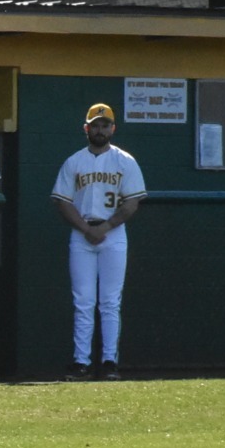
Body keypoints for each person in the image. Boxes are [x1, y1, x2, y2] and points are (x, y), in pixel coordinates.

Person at [51, 103, 146, 380]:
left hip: (113, 234)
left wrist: (106, 226)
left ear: (113, 129)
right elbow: (63, 202)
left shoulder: (125, 160)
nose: (100, 130)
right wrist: (86, 228)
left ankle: (109, 362)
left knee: (110, 301)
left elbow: (132, 203)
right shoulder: (74, 161)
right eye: (95, 125)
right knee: (83, 301)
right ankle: (81, 362)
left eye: (105, 125)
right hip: (82, 233)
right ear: (86, 128)